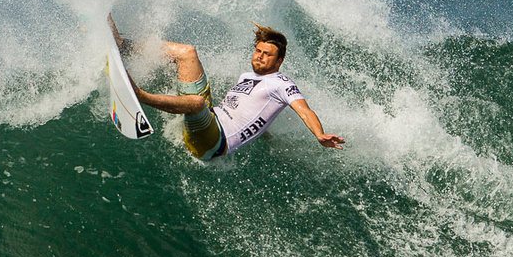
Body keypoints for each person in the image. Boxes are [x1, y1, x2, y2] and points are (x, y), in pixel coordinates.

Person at [117, 21, 346, 160]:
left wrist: (319, 134)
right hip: (210, 120)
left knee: (197, 103)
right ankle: (123, 46)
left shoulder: (282, 83)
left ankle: (139, 95)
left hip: (214, 144)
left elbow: (304, 110)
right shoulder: (246, 76)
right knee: (187, 52)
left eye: (267, 55)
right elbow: (255, 114)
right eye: (258, 51)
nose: (260, 56)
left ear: (279, 61)